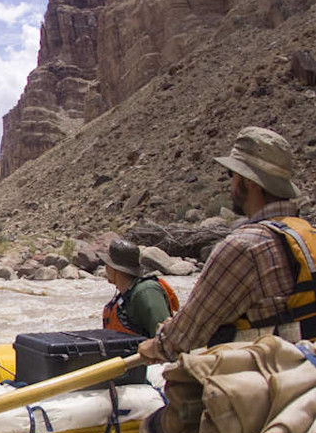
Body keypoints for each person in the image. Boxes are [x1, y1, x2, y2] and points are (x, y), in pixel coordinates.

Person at [139, 126, 316, 362]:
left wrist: (155, 345)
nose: (230, 184)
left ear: (249, 182)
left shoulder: (245, 247)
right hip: (305, 373)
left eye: (231, 175)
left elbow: (185, 335)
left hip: (266, 383)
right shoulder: (307, 233)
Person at [100, 239, 178, 338]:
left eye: (107, 264)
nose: (105, 268)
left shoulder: (146, 292)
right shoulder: (124, 296)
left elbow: (164, 338)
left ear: (114, 268)